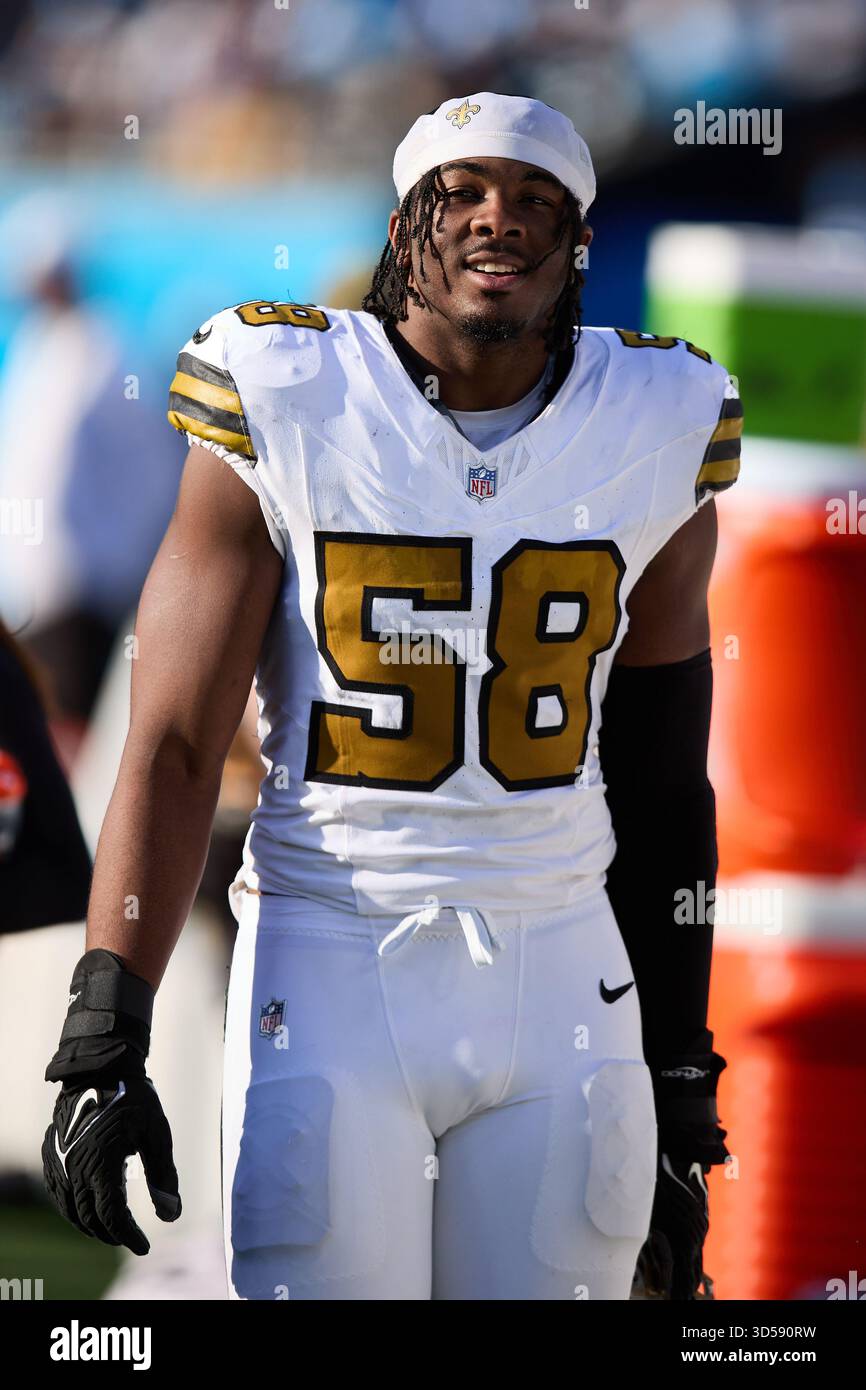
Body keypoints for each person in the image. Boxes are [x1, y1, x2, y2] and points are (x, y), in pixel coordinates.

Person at [42, 93, 740, 1300]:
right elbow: (169, 740)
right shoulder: (285, 386)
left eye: (535, 200)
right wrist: (107, 1018)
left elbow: (666, 780)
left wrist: (680, 1074)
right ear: (401, 223)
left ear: (577, 240)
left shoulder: (654, 419)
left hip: (560, 960)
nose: (496, 219)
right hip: (329, 946)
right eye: (461, 190)